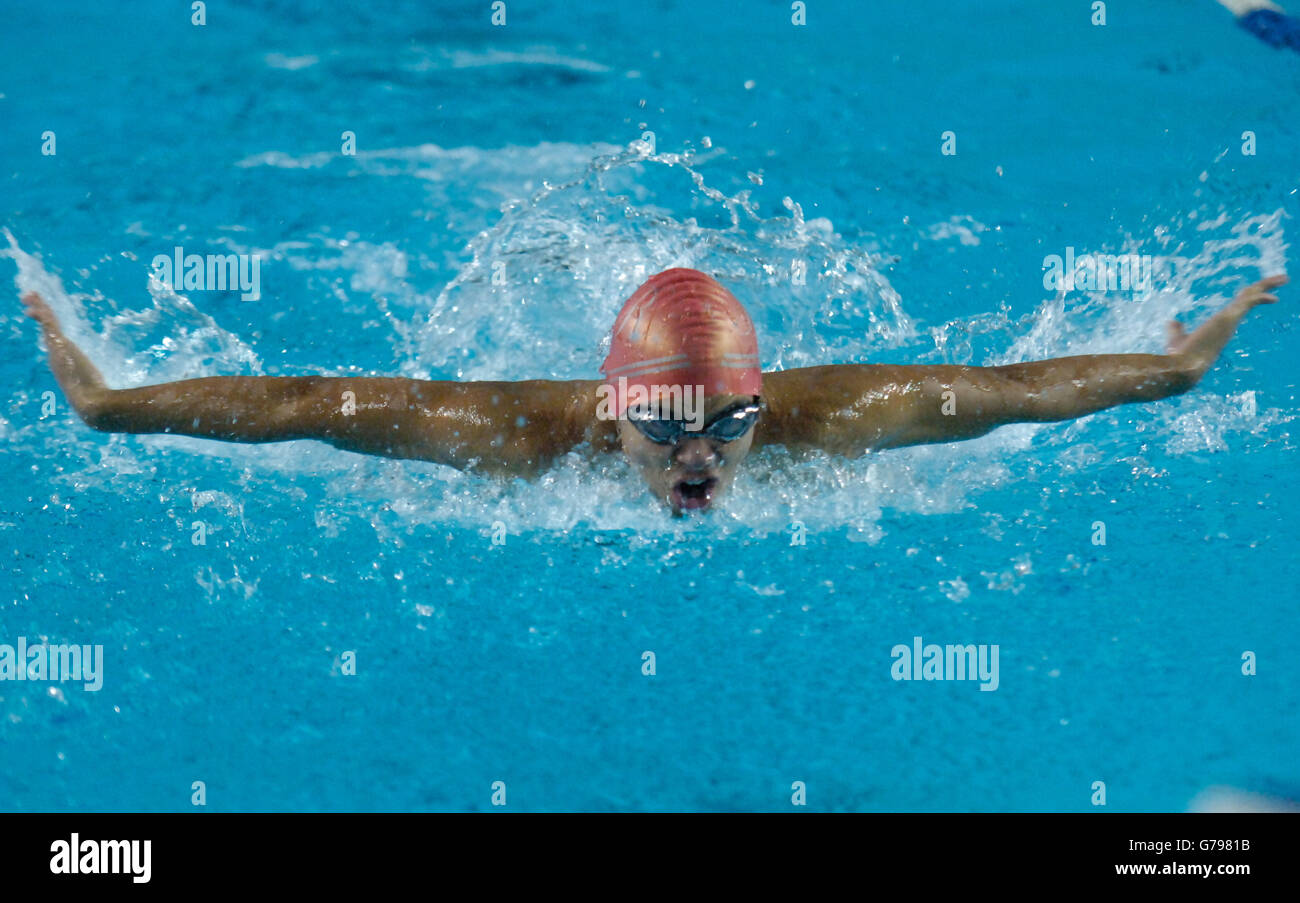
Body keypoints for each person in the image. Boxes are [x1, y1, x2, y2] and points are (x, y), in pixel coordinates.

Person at [21, 267, 1286, 514]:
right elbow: (304, 400)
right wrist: (108, 401)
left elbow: (1021, 390)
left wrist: (1174, 367)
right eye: (670, 426)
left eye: (729, 421)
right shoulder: (511, 437)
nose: (705, 461)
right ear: (611, 406)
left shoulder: (829, 414)